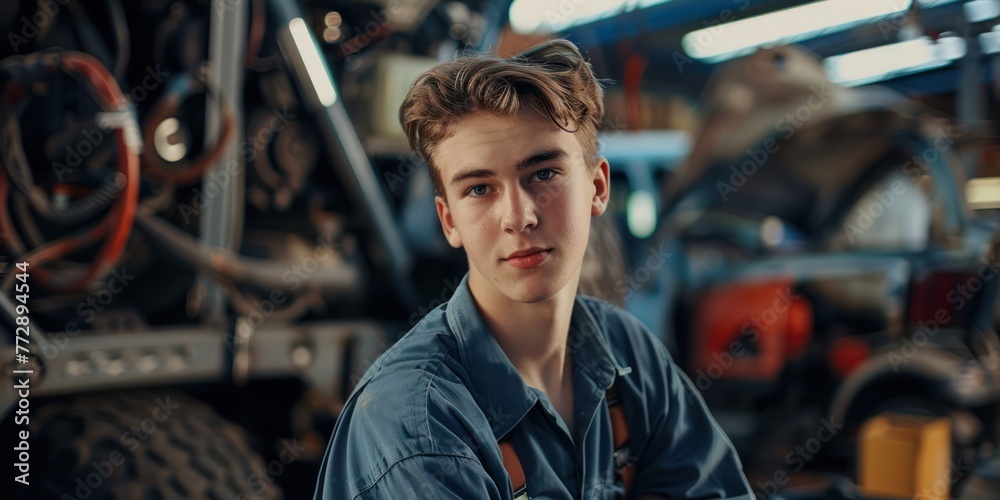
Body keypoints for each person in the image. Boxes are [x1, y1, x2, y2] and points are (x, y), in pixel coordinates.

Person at [313, 39, 754, 499]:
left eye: (542, 174)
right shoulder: (416, 422)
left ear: (598, 187)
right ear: (449, 221)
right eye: (480, 189)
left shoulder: (628, 354)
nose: (518, 216)